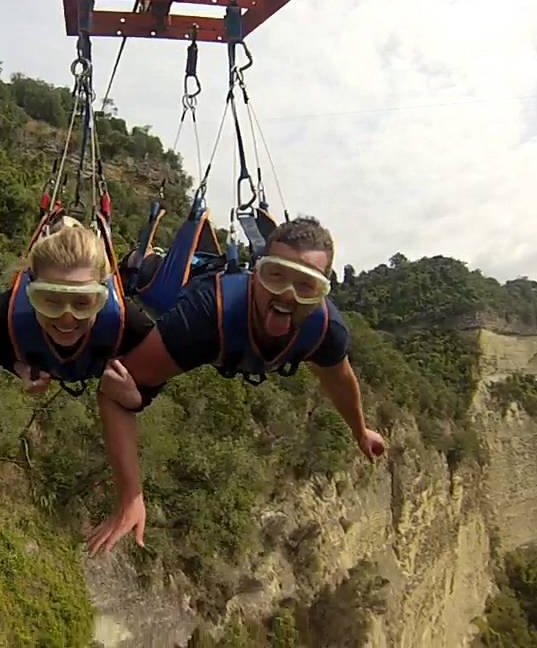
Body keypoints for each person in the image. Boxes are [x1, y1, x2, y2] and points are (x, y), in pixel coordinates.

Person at [86, 216, 387, 556]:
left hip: (227, 340)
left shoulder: (324, 330)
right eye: (276, 275)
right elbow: (114, 392)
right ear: (257, 272)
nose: (286, 295)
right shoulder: (205, 314)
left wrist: (360, 431)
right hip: (193, 305)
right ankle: (146, 259)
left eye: (305, 285)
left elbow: (339, 378)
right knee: (145, 282)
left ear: (322, 293)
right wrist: (131, 497)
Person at [0, 216, 157, 407]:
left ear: (103, 297)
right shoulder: (0, 317)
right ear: (31, 292)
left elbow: (162, 362)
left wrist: (136, 398)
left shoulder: (127, 323)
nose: (66, 319)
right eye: (51, 300)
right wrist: (18, 367)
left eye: (82, 302)